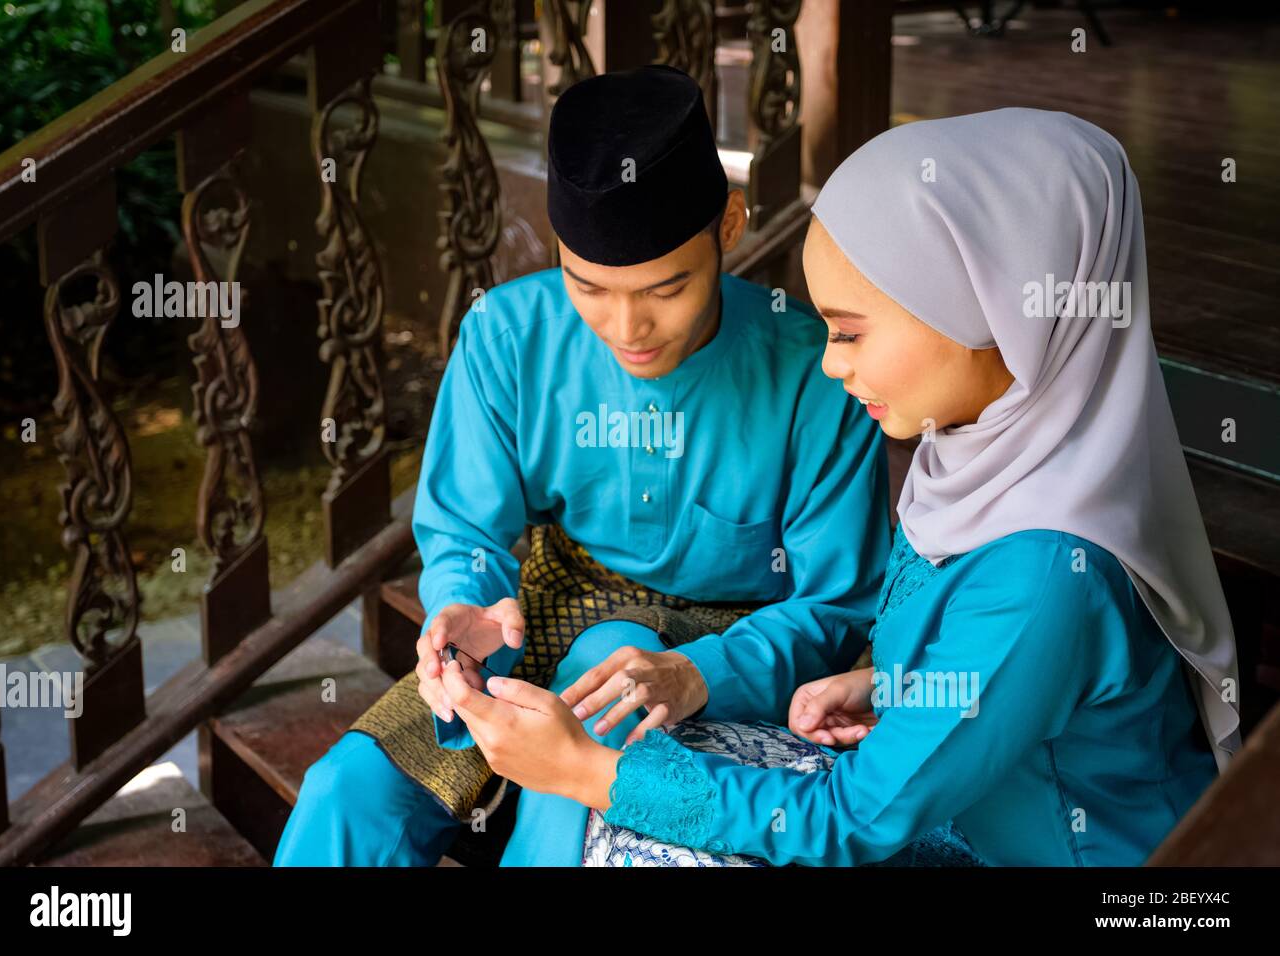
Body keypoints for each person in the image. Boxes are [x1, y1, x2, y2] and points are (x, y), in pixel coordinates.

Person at [441, 107, 1240, 866]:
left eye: (850, 331)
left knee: (631, 814)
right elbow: (1000, 671)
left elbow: (854, 818)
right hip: (950, 819)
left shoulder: (1045, 570)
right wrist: (891, 685)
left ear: (991, 310)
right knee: (641, 766)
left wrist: (584, 772)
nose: (827, 362)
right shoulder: (981, 467)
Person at [272, 64, 892, 866]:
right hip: (553, 611)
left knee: (566, 810)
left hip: (730, 646)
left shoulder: (817, 371)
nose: (627, 326)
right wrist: (464, 606)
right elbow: (463, 528)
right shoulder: (505, 335)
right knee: (346, 795)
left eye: (667, 288)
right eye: (588, 287)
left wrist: (696, 674)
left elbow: (837, 606)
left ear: (729, 225)